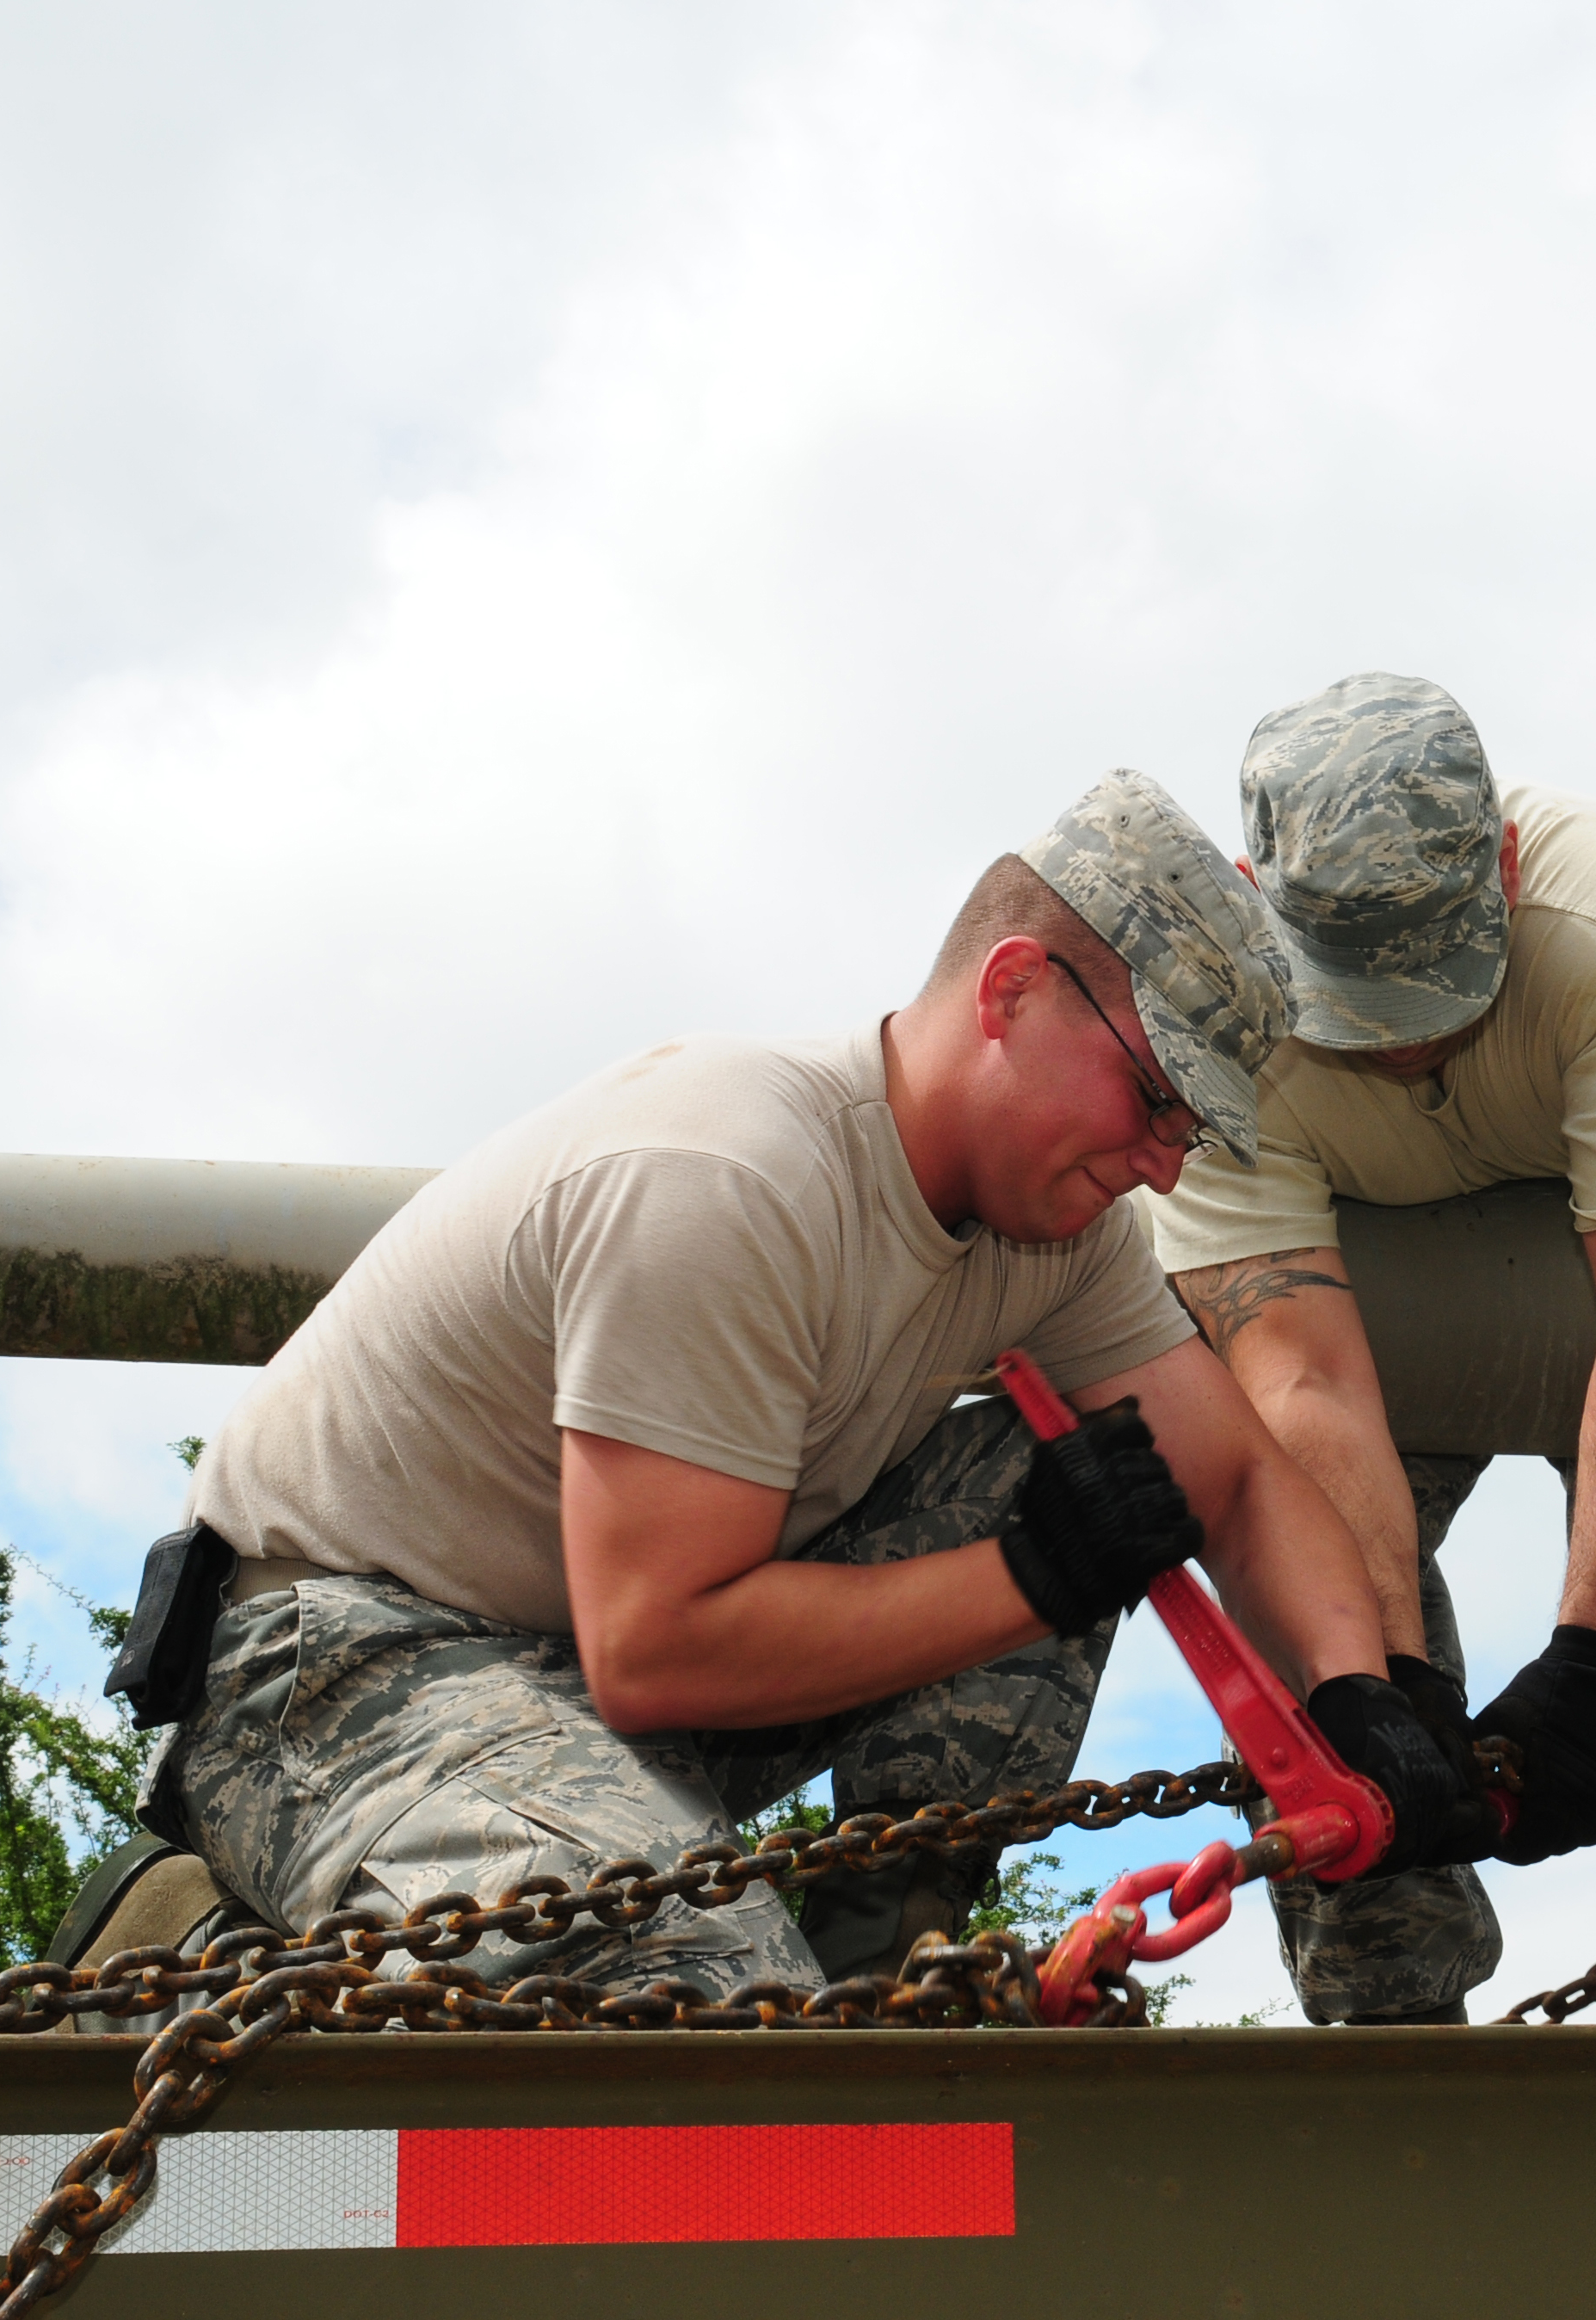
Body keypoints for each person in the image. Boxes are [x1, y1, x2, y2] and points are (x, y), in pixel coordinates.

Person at [138, 769, 1493, 1999]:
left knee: (1094, 1477)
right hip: (328, 1676)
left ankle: (879, 1975)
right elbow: (653, 1645)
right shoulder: (726, 1177)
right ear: (1011, 990)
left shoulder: (1059, 1239)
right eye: (1153, 1099)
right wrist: (1031, 1579)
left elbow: (1238, 1476)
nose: (1165, 1167)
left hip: (586, 1694)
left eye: (1192, 1130)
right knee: (702, 1989)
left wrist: (1358, 1694)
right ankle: (261, 1930)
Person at [1146, 675, 1596, 2025]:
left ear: (1503, 859)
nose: (1410, 1031)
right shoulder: (1204, 1013)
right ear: (1255, 895)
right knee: (1310, 1621)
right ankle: (1396, 2029)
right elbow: (1298, 1376)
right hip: (1354, 1279)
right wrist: (1392, 1682)